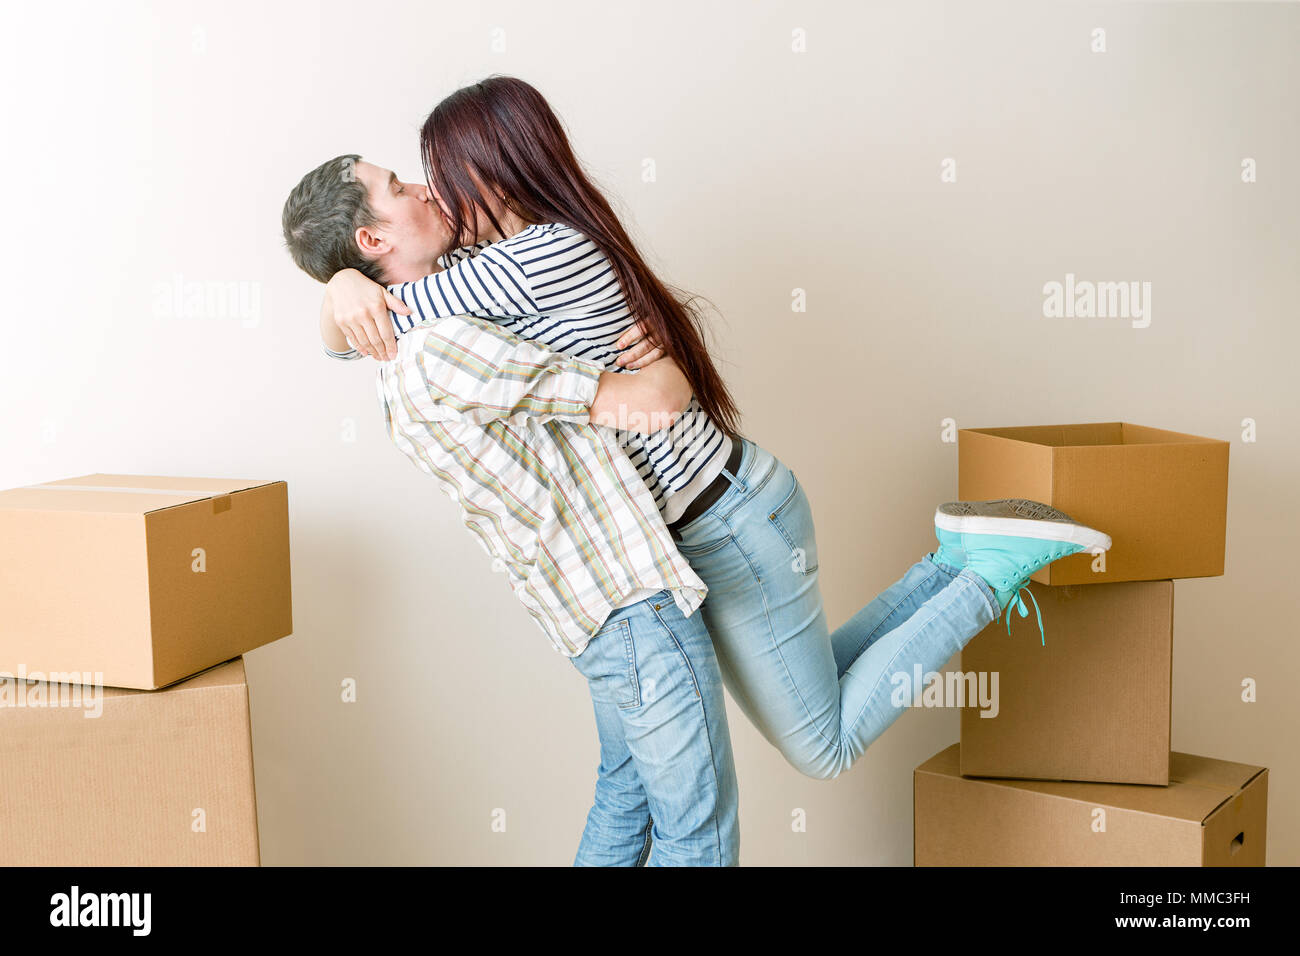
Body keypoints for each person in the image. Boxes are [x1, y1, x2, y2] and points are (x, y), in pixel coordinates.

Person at [318, 75, 1113, 781]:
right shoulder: (517, 256)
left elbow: (373, 328)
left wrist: (341, 289)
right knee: (823, 689)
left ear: (491, 171)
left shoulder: (529, 262)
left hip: (725, 522)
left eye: (442, 174)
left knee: (823, 746)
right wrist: (345, 282)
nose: (432, 193)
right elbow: (386, 313)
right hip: (732, 511)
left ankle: (987, 572)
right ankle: (957, 561)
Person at [283, 154, 741, 867]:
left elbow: (340, 333)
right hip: (633, 606)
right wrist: (668, 354)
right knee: (697, 832)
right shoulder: (450, 346)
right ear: (373, 241)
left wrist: (340, 284)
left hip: (596, 614)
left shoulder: (409, 333)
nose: (426, 187)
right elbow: (653, 405)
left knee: (627, 799)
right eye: (398, 188)